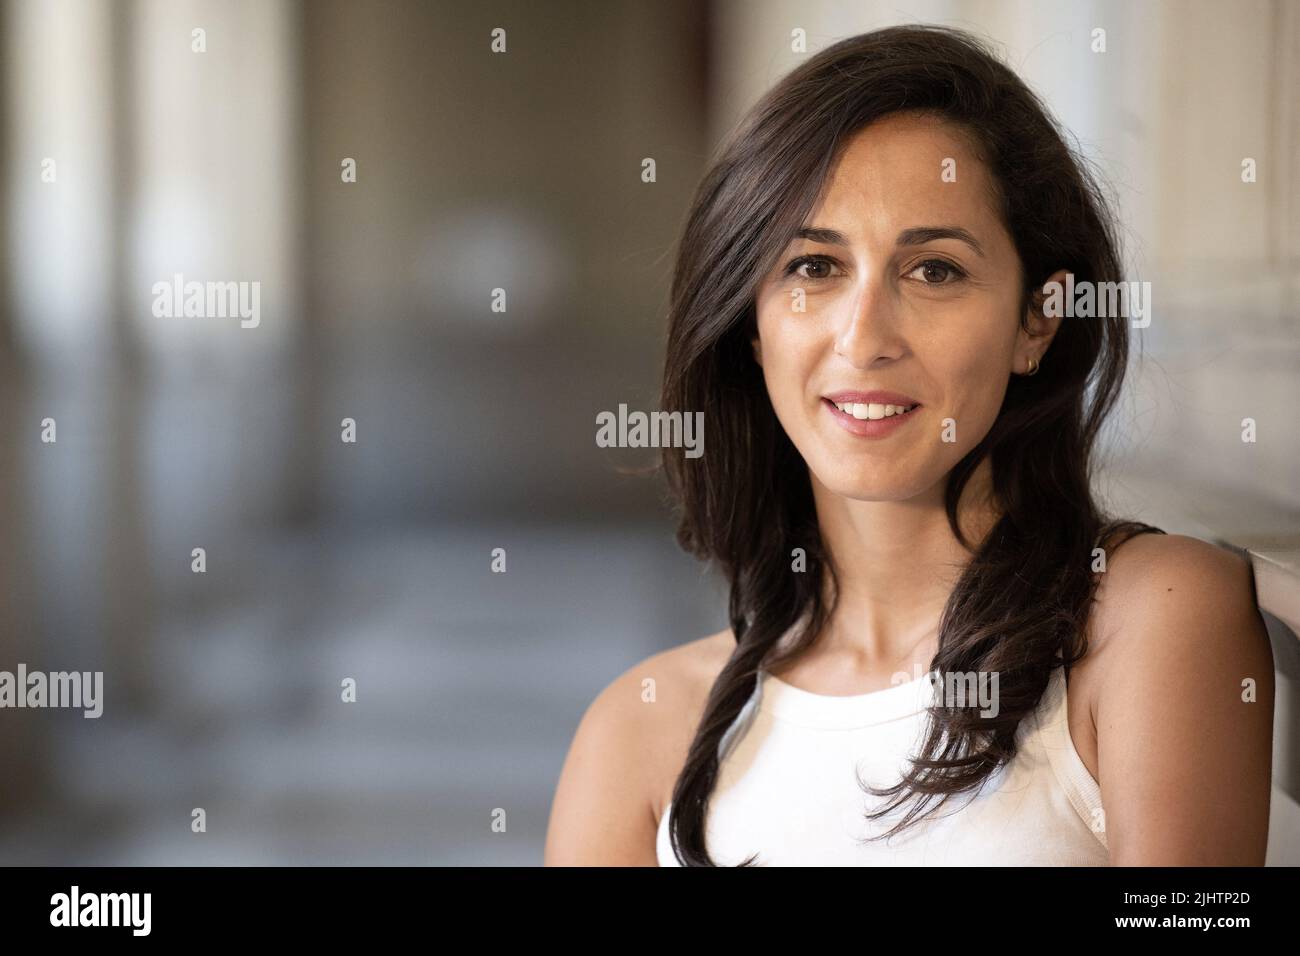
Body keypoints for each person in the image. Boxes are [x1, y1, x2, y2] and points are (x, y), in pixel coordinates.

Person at [544, 24, 1274, 866]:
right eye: (813, 268)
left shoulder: (1153, 618)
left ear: (1038, 318)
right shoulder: (638, 728)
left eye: (934, 270)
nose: (864, 339)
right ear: (752, 323)